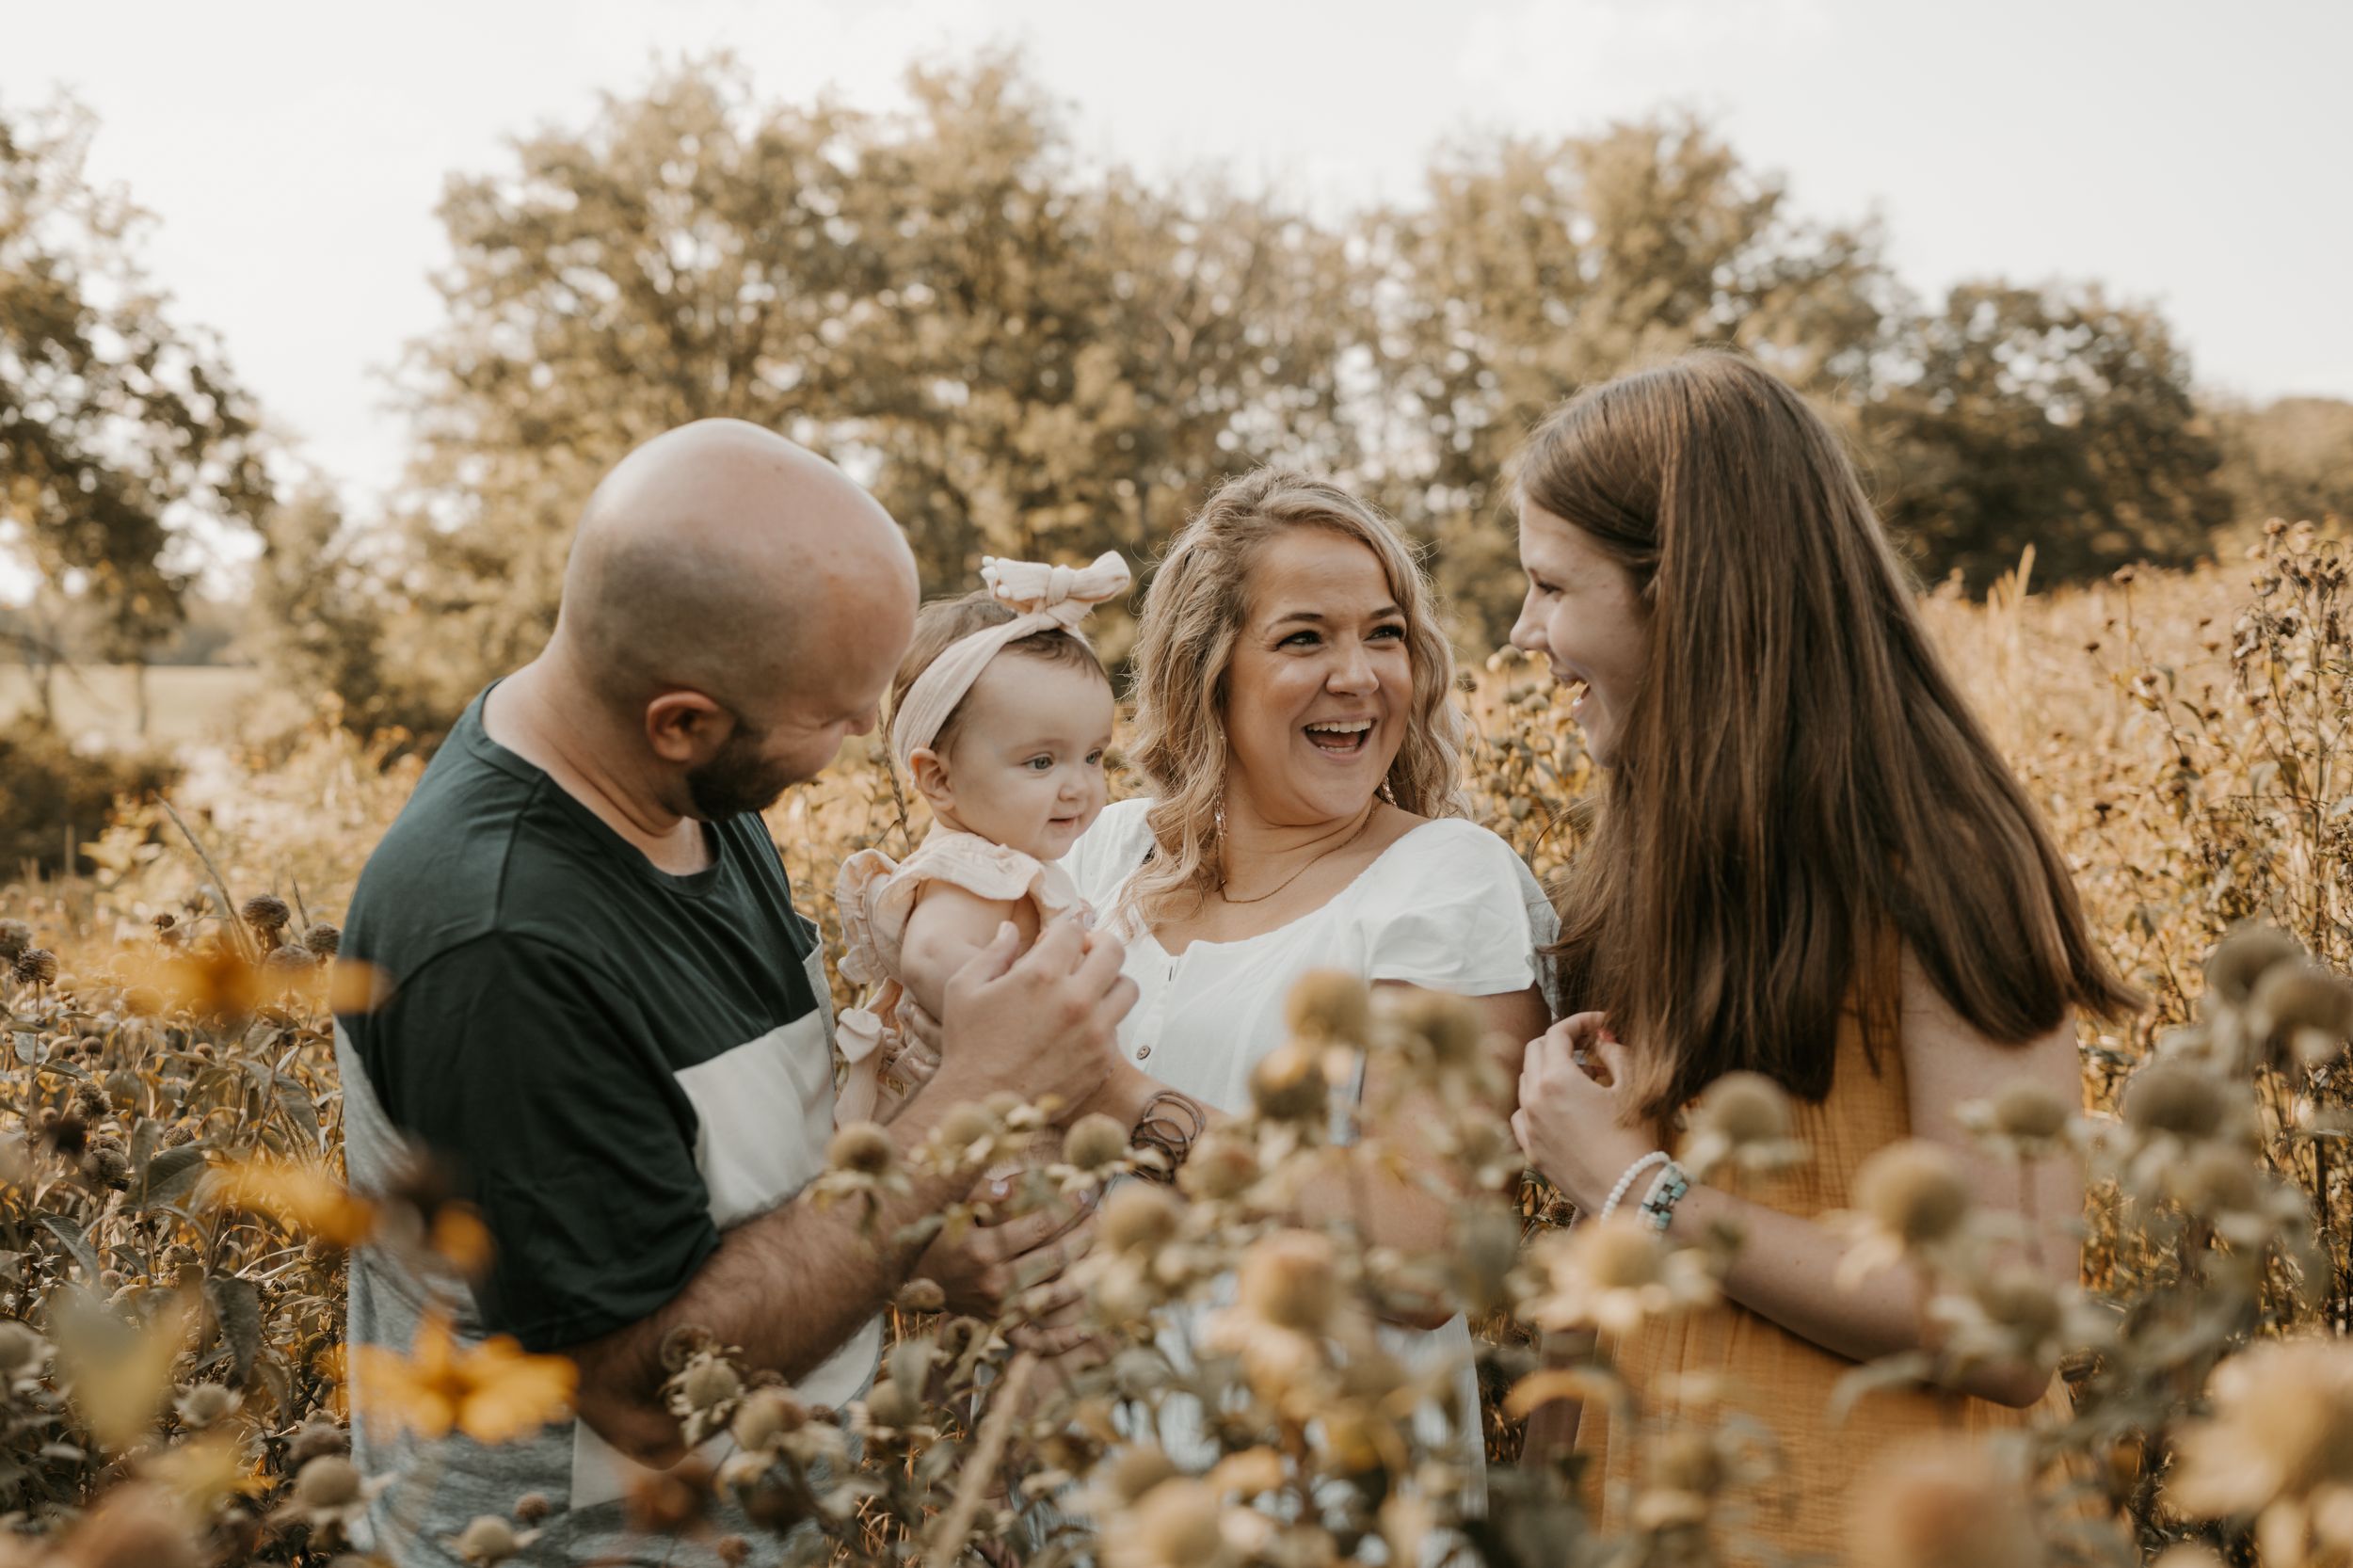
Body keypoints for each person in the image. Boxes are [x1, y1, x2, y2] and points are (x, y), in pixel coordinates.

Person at [332, 421, 1137, 1566]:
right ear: (682, 720)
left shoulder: (689, 800)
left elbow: (729, 1188)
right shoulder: (498, 942)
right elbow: (652, 1395)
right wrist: (977, 1098)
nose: (869, 732)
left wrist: (908, 1251)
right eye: (833, 712)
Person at [1503, 353, 2136, 1560]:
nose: (1527, 631)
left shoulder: (1941, 859)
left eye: (1549, 585)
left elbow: (2006, 1326)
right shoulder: (1667, 848)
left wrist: (1643, 1191)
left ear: (1686, 589)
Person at [1064, 469, 1555, 1494]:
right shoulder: (1102, 857)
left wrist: (1129, 1103)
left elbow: (1428, 1257)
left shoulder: (1442, 884)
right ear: (1208, 672)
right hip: (1073, 1484)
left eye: (1383, 634)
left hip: (1326, 1494)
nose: (1359, 675)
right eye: (1303, 639)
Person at [833, 552, 1128, 1124]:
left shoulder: (1010, 860)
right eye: (1041, 762)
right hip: (966, 1121)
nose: (1080, 787)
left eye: (1093, 756)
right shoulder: (971, 871)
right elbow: (932, 955)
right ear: (939, 779)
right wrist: (1036, 1034)